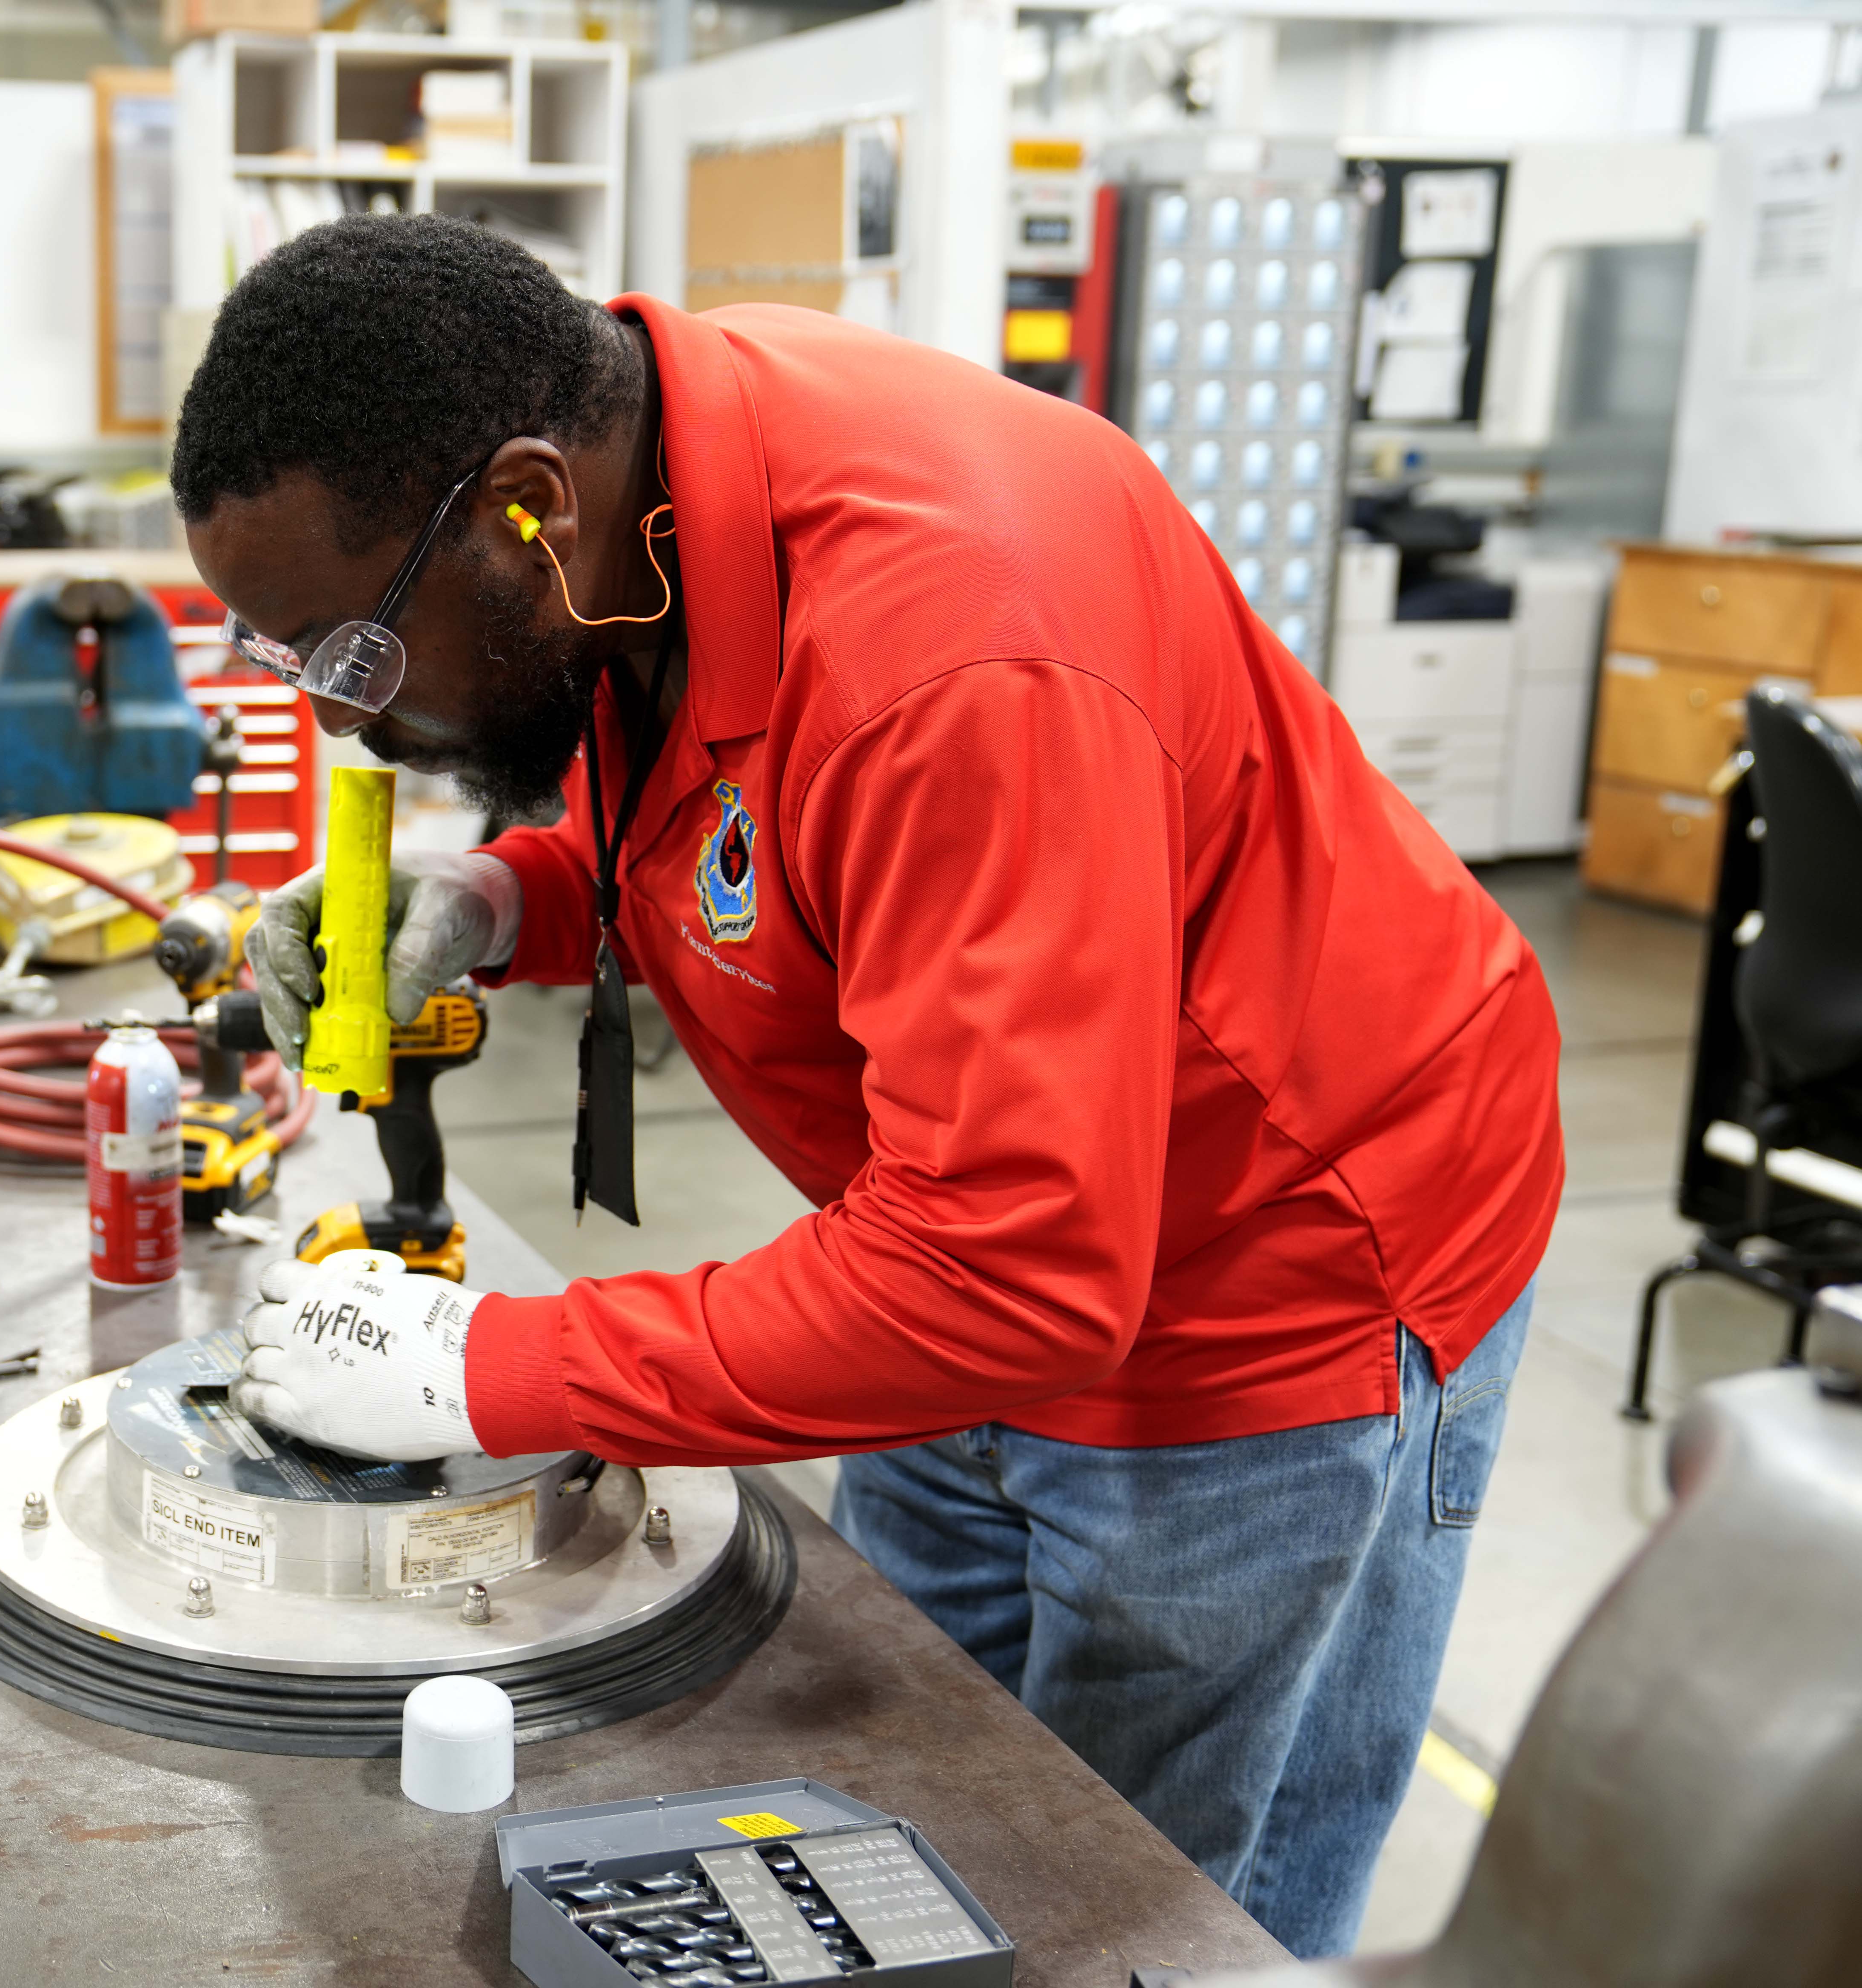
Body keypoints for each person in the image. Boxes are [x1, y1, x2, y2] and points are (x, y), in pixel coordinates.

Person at [172, 213, 1561, 1960]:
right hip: (955, 1229)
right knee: (918, 1808)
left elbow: (1017, 1268)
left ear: (531, 505)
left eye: (356, 657)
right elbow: (739, 793)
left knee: (1130, 1902)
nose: (354, 727)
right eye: (295, 668)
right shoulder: (653, 475)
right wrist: (504, 896)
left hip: (1275, 1283)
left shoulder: (956, 644)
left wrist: (495, 1366)